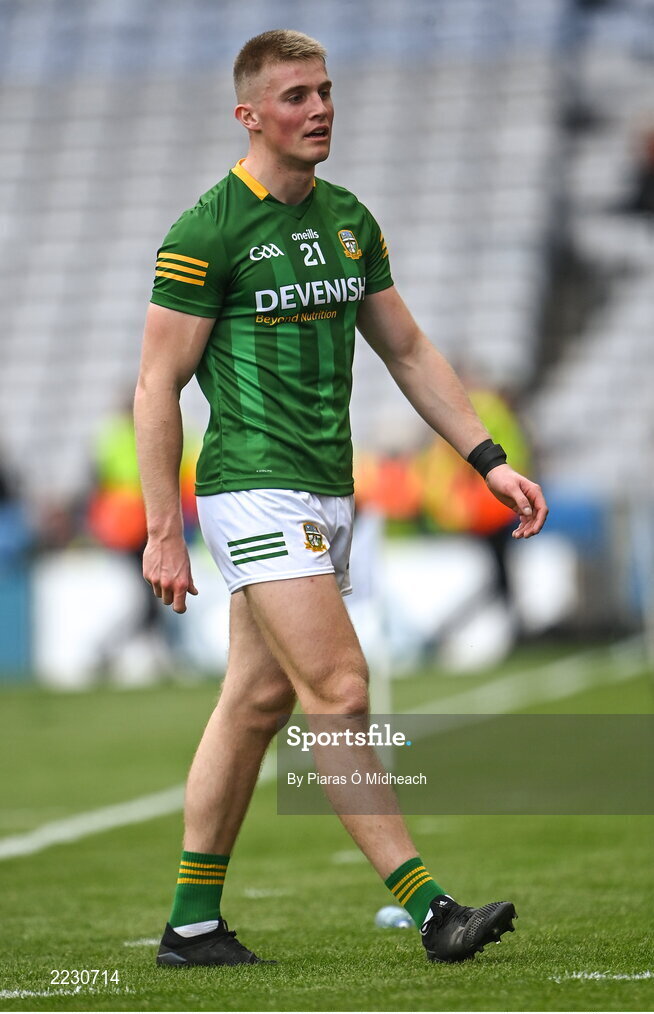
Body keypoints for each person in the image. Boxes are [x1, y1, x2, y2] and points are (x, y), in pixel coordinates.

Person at [134, 29, 548, 969]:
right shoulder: (207, 231)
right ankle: (431, 906)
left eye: (325, 91)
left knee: (254, 700)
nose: (319, 108)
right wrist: (164, 529)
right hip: (252, 488)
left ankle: (191, 925)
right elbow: (156, 384)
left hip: (328, 490)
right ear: (249, 115)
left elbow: (405, 349)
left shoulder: (349, 219)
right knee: (342, 690)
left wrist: (486, 457)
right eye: (295, 97)